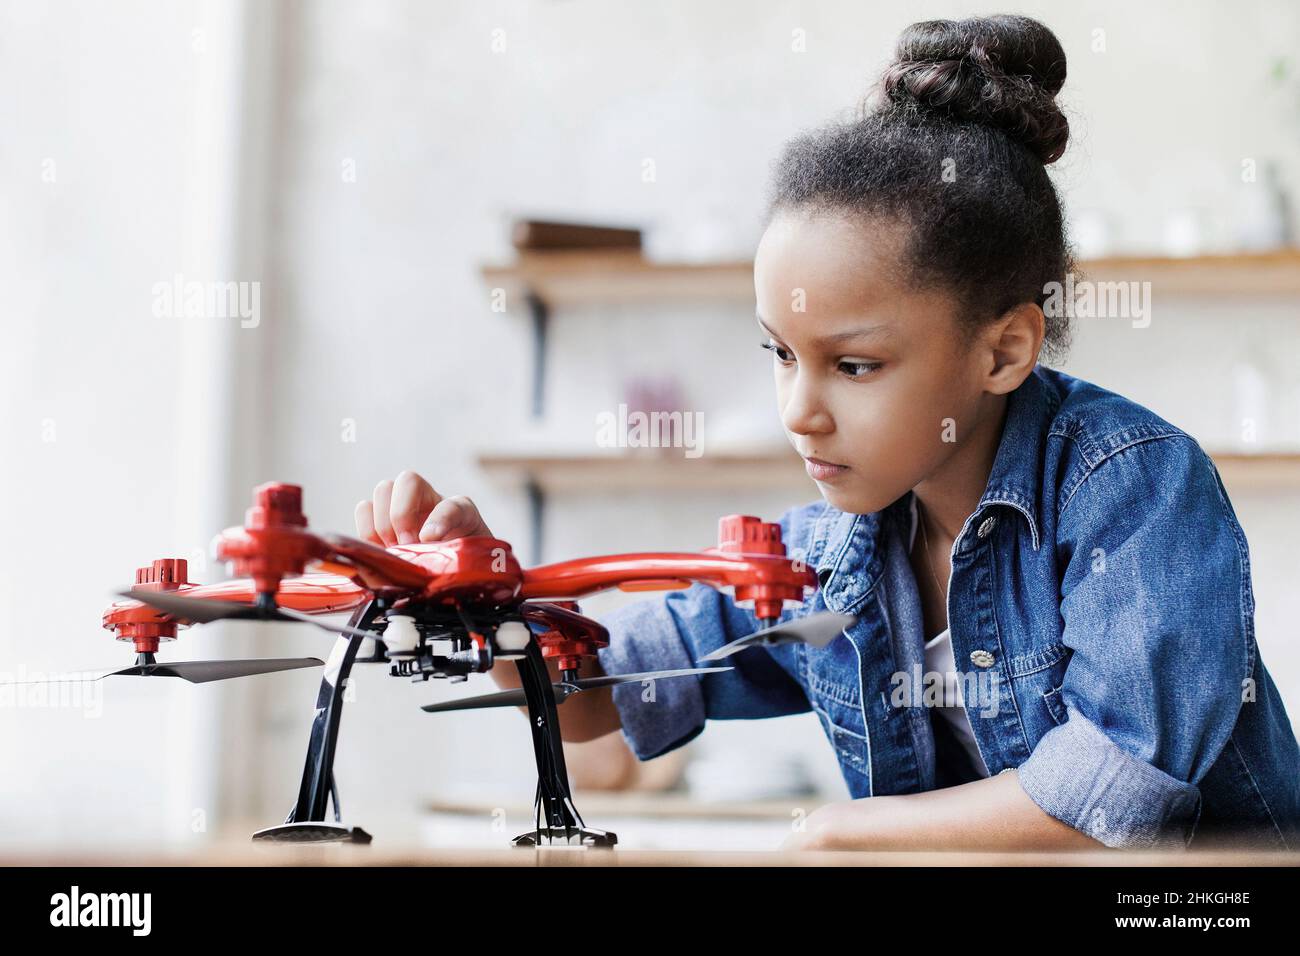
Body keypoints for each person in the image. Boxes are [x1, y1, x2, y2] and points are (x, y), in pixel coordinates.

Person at [355, 15, 1300, 852]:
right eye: (779, 353)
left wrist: (852, 829)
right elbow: (600, 695)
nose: (799, 410)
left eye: (853, 366)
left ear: (1005, 348)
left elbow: (1111, 801)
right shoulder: (829, 548)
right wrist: (481, 600)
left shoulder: (1132, 487)